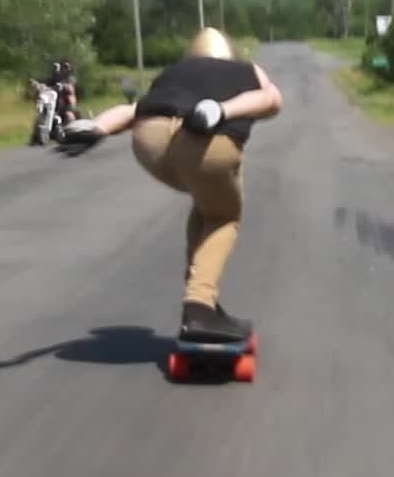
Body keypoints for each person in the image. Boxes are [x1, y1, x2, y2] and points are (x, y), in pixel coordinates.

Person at [82, 28, 284, 342]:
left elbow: (131, 111)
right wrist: (222, 110)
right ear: (230, 52)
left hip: (149, 141)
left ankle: (204, 302)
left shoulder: (173, 72)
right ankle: (200, 308)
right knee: (224, 216)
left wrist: (95, 128)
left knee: (207, 206)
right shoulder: (245, 69)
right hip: (203, 137)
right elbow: (271, 99)